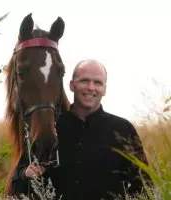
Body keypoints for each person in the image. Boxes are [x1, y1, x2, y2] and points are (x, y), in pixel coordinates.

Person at [52, 59, 149, 200]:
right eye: (84, 81)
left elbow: (143, 185)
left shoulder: (123, 129)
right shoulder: (53, 127)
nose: (91, 87)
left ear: (104, 89)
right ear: (72, 86)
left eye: (97, 82)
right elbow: (25, 175)